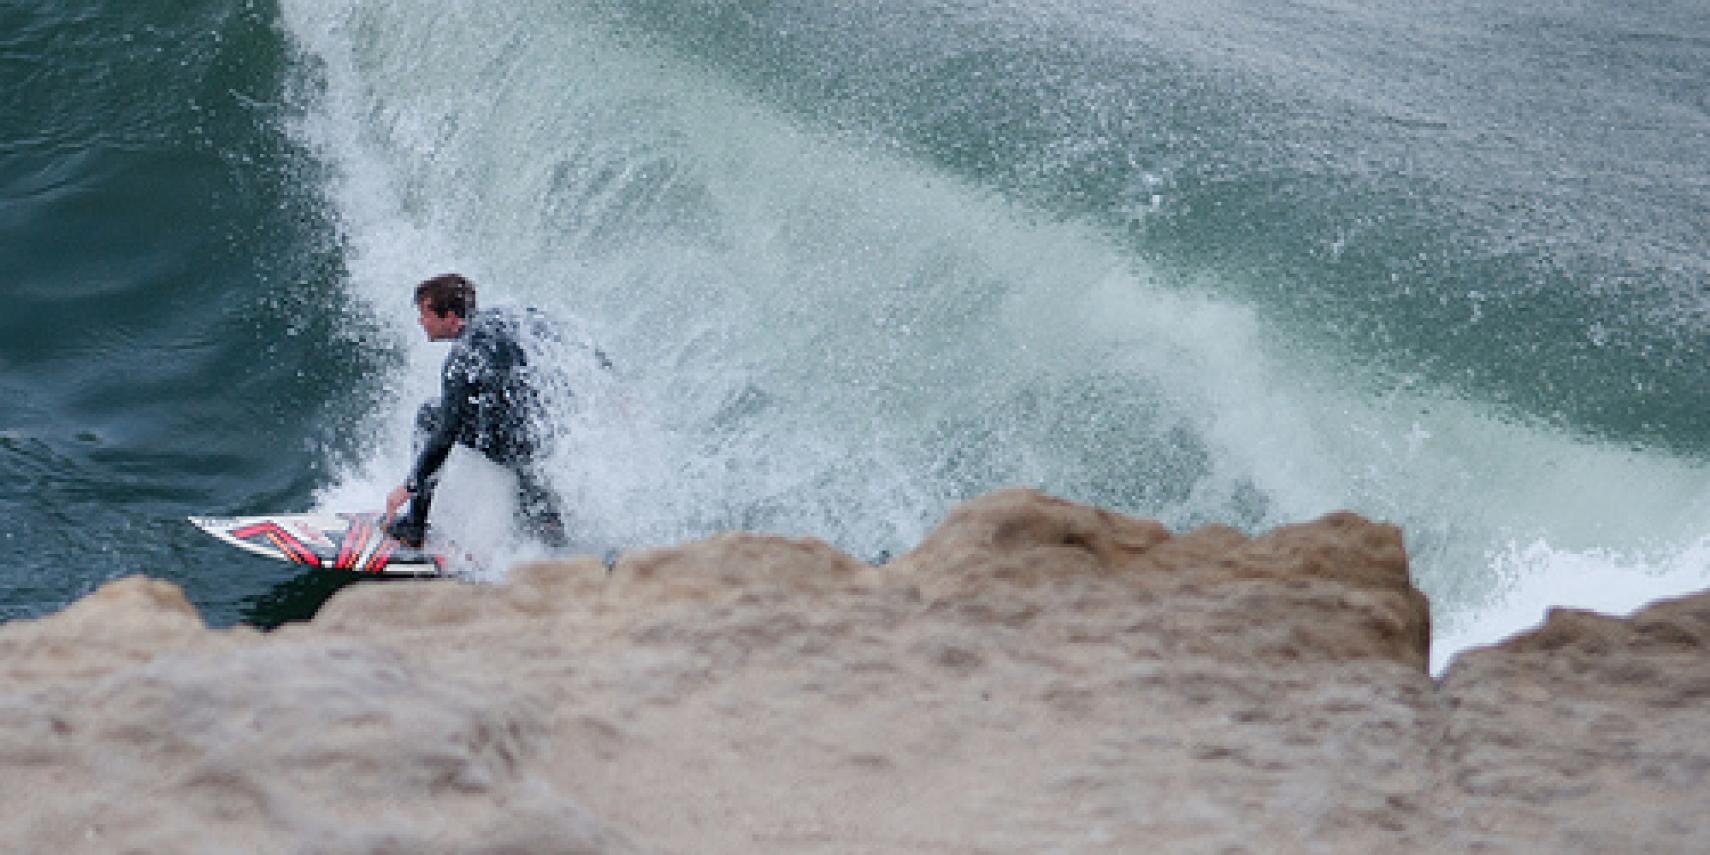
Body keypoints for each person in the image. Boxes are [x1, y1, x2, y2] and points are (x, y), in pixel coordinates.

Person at [384, 273, 571, 548]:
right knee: (510, 424)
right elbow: (562, 333)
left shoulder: (461, 359)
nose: (420, 322)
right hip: (543, 429)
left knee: (429, 416)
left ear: (449, 317)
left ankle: (414, 526)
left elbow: (446, 433)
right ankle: (549, 526)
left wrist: (410, 485)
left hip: (513, 441)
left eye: (425, 314)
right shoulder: (505, 318)